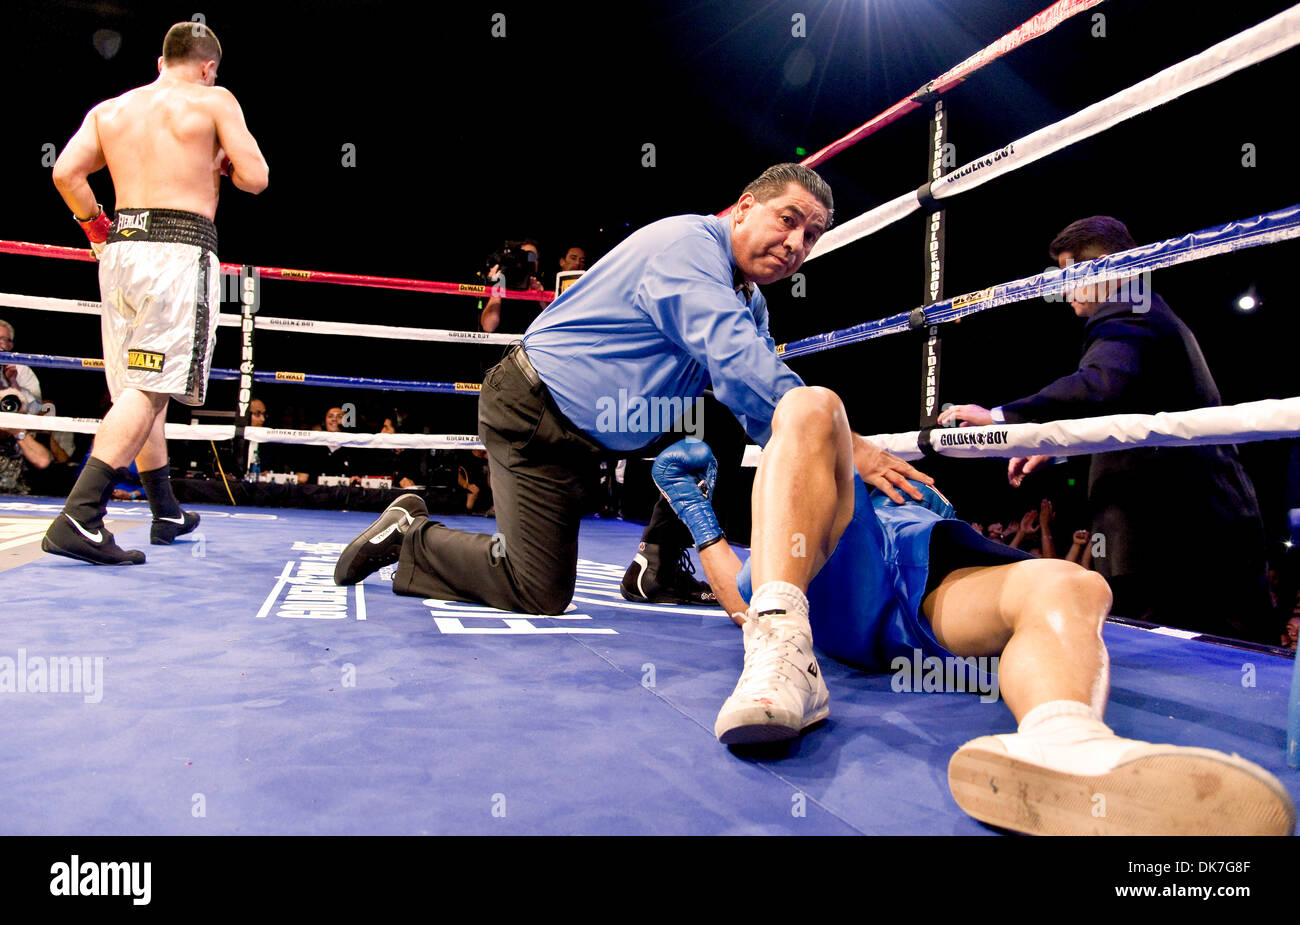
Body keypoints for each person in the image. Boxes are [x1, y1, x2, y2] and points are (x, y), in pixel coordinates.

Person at [656, 385, 1294, 836]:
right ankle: (783, 657)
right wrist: (697, 509)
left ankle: (1066, 745)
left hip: (926, 591)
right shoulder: (806, 499)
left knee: (1073, 584)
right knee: (807, 402)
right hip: (834, 583)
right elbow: (743, 597)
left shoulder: (910, 491)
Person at [334, 163, 932, 616]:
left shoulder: (750, 302)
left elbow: (756, 406)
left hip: (607, 427)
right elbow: (738, 359)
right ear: (744, 208)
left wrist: (830, 482)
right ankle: (412, 534)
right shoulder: (688, 250)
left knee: (723, 417)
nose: (797, 244)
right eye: (788, 220)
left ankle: (657, 564)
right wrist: (851, 446)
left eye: (812, 237)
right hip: (535, 414)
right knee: (537, 590)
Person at [939, 216, 1270, 641]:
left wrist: (1002, 417)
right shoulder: (1146, 313)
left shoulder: (1131, 311)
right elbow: (1131, 410)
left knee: (1201, 669)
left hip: (1179, 537)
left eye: (1069, 274)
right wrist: (1057, 447)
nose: (1064, 290)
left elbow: (1101, 384)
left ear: (1106, 267)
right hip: (1189, 534)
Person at [42, 21, 267, 564]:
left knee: (139, 387)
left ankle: (164, 510)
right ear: (208, 66)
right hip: (178, 251)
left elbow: (67, 173)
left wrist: (96, 226)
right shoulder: (214, 100)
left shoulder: (112, 110)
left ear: (159, 60)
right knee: (150, 387)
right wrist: (228, 164)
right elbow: (257, 177)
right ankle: (80, 514)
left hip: (119, 250)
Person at [1, 320, 44, 407]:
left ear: (10, 345)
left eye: (3, 340)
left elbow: (36, 409)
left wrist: (13, 382)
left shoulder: (22, 370)